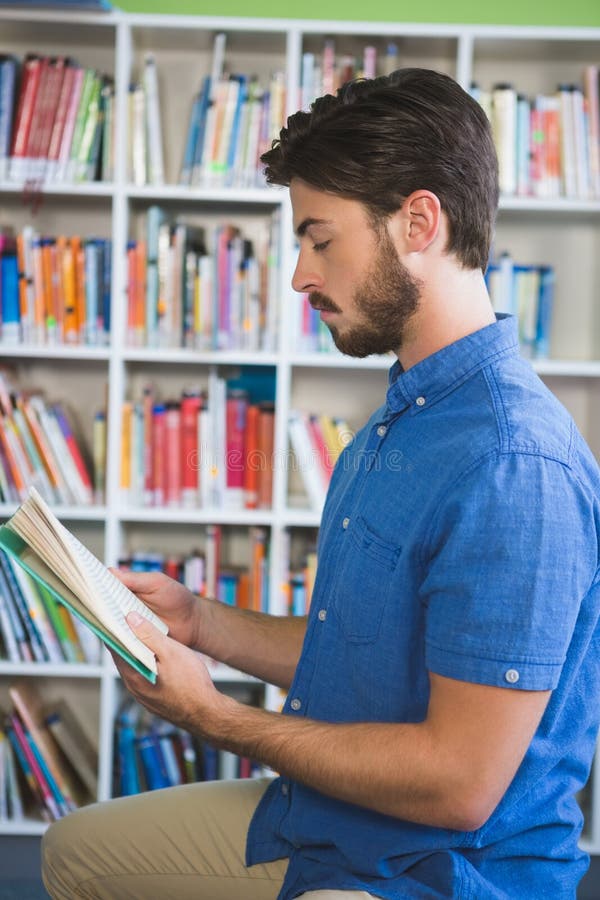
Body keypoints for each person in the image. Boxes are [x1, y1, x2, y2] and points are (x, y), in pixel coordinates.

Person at [42, 68, 600, 900]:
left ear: (419, 223)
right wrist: (200, 624)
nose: (300, 275)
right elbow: (365, 653)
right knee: (71, 851)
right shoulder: (397, 421)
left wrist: (214, 717)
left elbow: (459, 782)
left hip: (442, 872)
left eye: (320, 239)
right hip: (330, 817)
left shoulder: (514, 463)